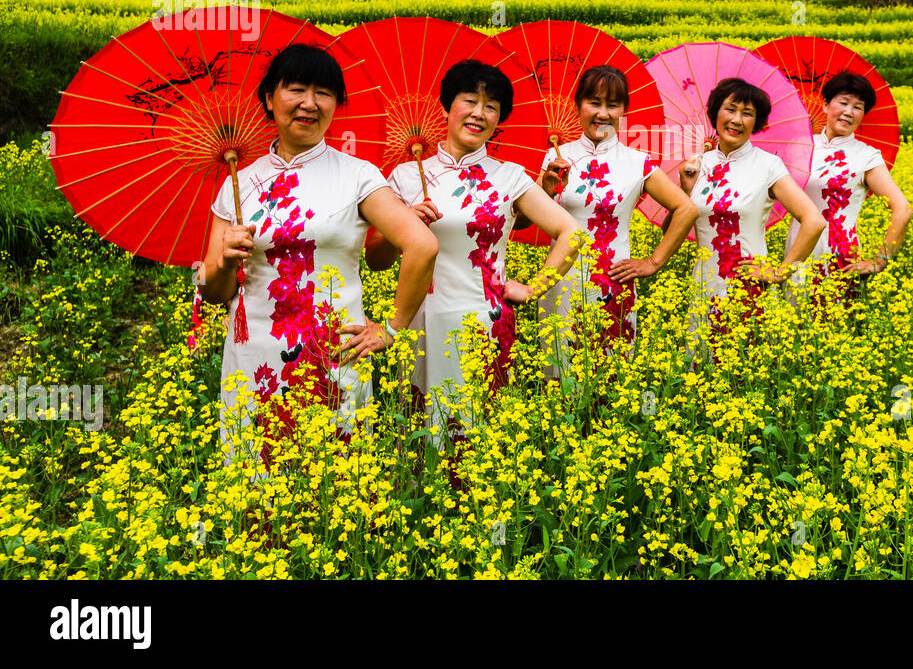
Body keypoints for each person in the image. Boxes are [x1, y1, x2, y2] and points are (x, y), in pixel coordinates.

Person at [200, 44, 437, 467]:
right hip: (253, 355)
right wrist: (223, 259)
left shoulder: (357, 174)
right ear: (270, 99)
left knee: (335, 484)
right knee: (257, 483)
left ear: (336, 105)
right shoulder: (240, 183)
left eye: (324, 92)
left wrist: (392, 328)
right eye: (296, 89)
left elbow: (422, 244)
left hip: (333, 355)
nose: (310, 103)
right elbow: (216, 292)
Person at [364, 59, 578, 446]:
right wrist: (405, 224)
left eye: (491, 106)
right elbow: (376, 261)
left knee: (477, 431)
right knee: (419, 433)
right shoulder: (406, 175)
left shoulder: (509, 176)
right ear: (447, 107)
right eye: (469, 101)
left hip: (483, 321)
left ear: (499, 118)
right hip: (418, 321)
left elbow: (570, 232)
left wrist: (534, 288)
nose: (479, 113)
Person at [532, 66, 697, 361]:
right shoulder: (554, 157)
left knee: (612, 378)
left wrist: (652, 262)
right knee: (560, 377)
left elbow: (686, 209)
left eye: (613, 105)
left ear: (624, 110)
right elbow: (520, 221)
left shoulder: (638, 162)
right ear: (578, 105)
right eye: (594, 103)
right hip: (562, 281)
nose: (603, 113)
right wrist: (545, 187)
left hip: (615, 281)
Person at [679, 78, 825, 309]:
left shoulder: (768, 165)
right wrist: (686, 190)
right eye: (730, 109)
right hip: (704, 287)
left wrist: (780, 272)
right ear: (716, 113)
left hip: (750, 288)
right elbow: (674, 231)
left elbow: (814, 221)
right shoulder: (697, 165)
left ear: (756, 122)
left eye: (747, 113)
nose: (736, 120)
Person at [786, 72, 912, 298]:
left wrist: (880, 261)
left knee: (835, 325)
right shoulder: (798, 146)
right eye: (843, 103)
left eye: (858, 107)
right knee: (794, 326)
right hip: (798, 252)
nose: (848, 112)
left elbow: (903, 209)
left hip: (841, 256)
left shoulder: (867, 156)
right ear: (825, 105)